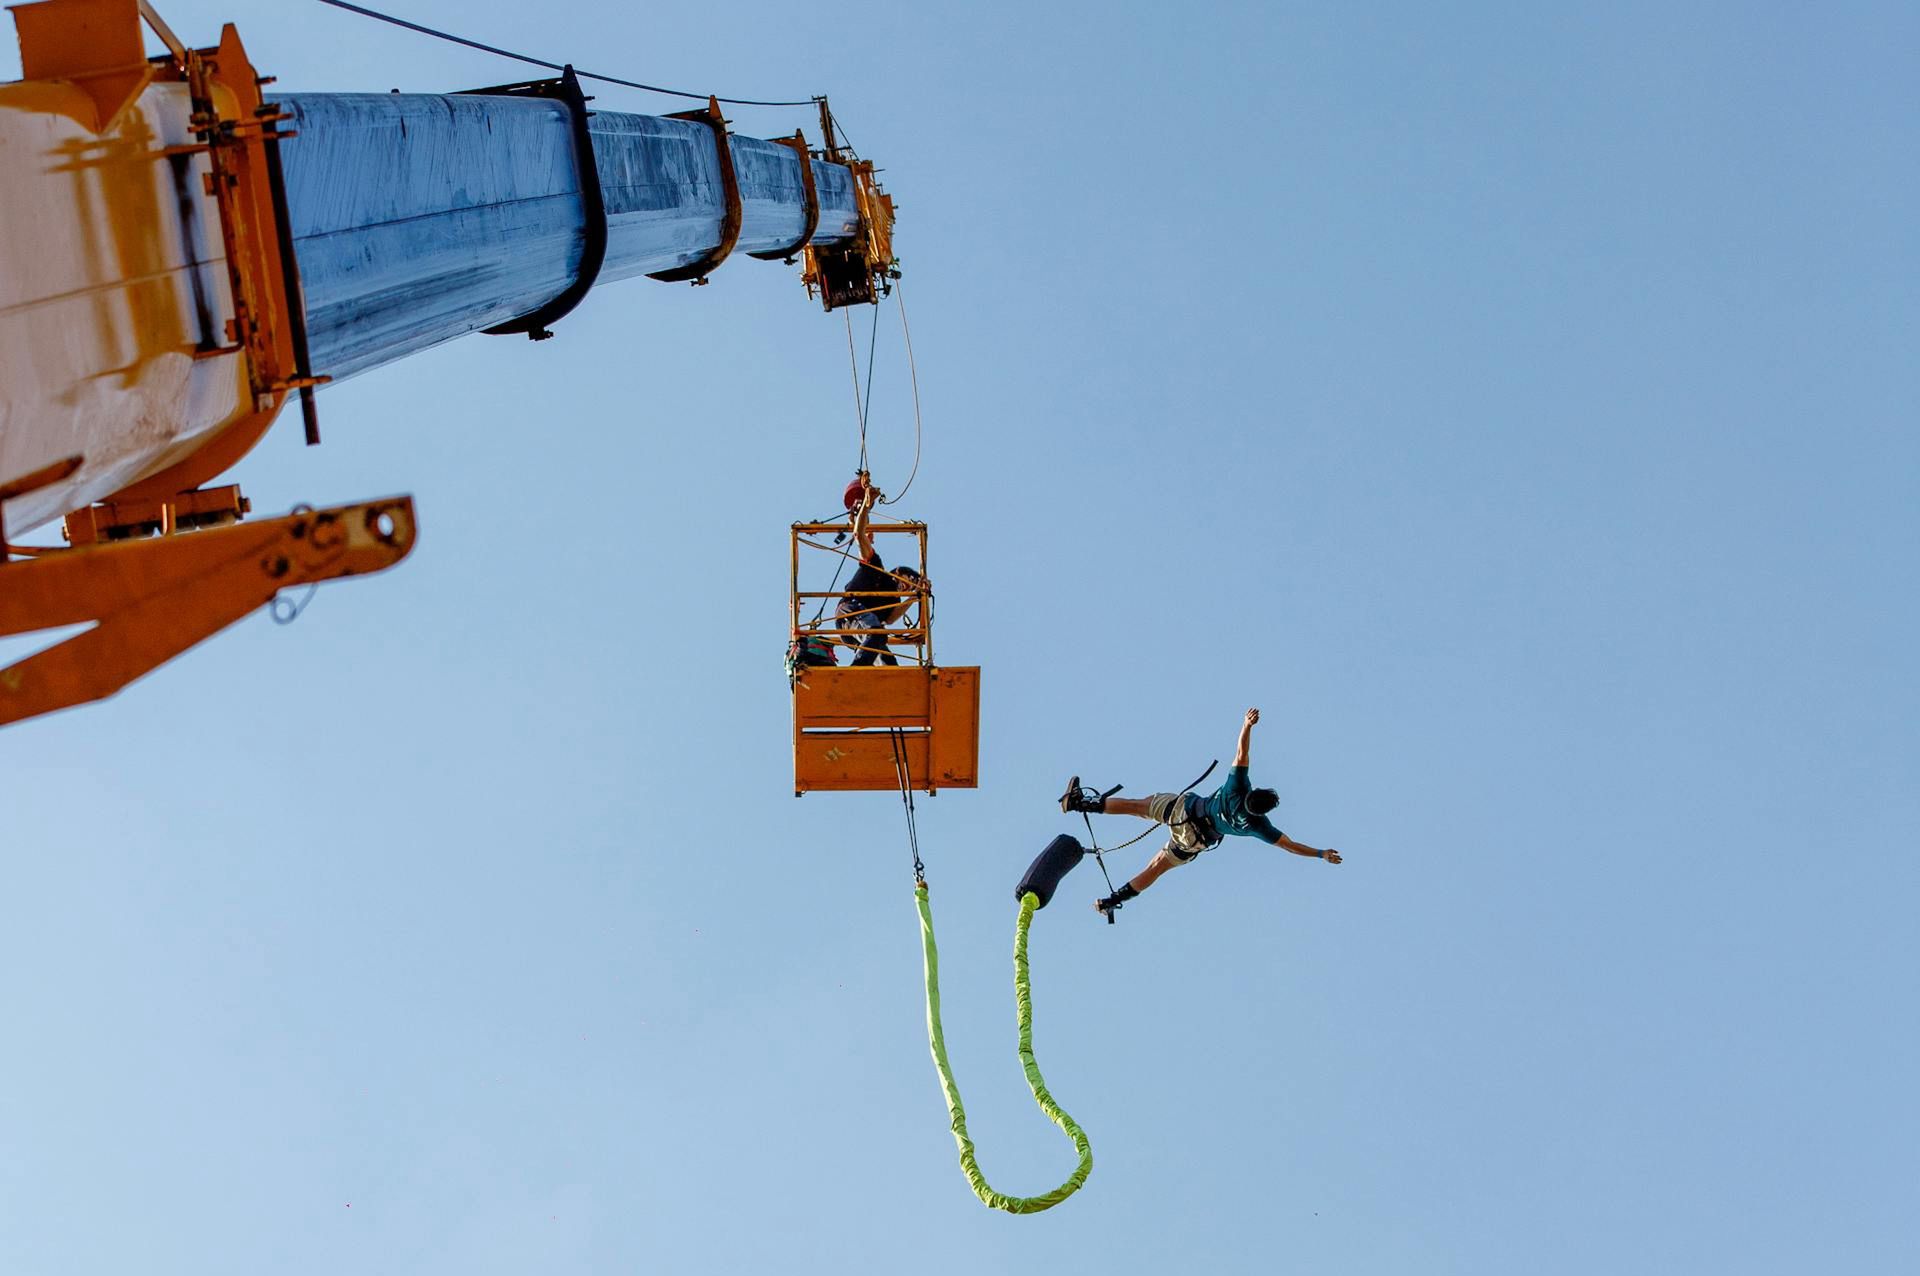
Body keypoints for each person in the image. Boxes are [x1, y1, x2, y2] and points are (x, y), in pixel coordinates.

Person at [1060, 708, 1341, 916]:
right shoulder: (1258, 826)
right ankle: (1112, 901)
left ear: (1253, 792)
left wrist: (1247, 725)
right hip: (1195, 841)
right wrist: (1320, 854)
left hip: (1183, 812)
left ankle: (1079, 803)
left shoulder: (1237, 787)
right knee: (1157, 867)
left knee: (1137, 807)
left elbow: (1241, 753)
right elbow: (1289, 846)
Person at [836, 477, 927, 666]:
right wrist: (866, 506)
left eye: (910, 586)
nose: (906, 586)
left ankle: (878, 680)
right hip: (851, 611)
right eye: (908, 580)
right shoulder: (876, 567)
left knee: (888, 661)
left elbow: (891, 618)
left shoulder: (892, 600)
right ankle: (855, 671)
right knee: (876, 633)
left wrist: (916, 596)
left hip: (862, 628)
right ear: (898, 573)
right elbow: (859, 535)